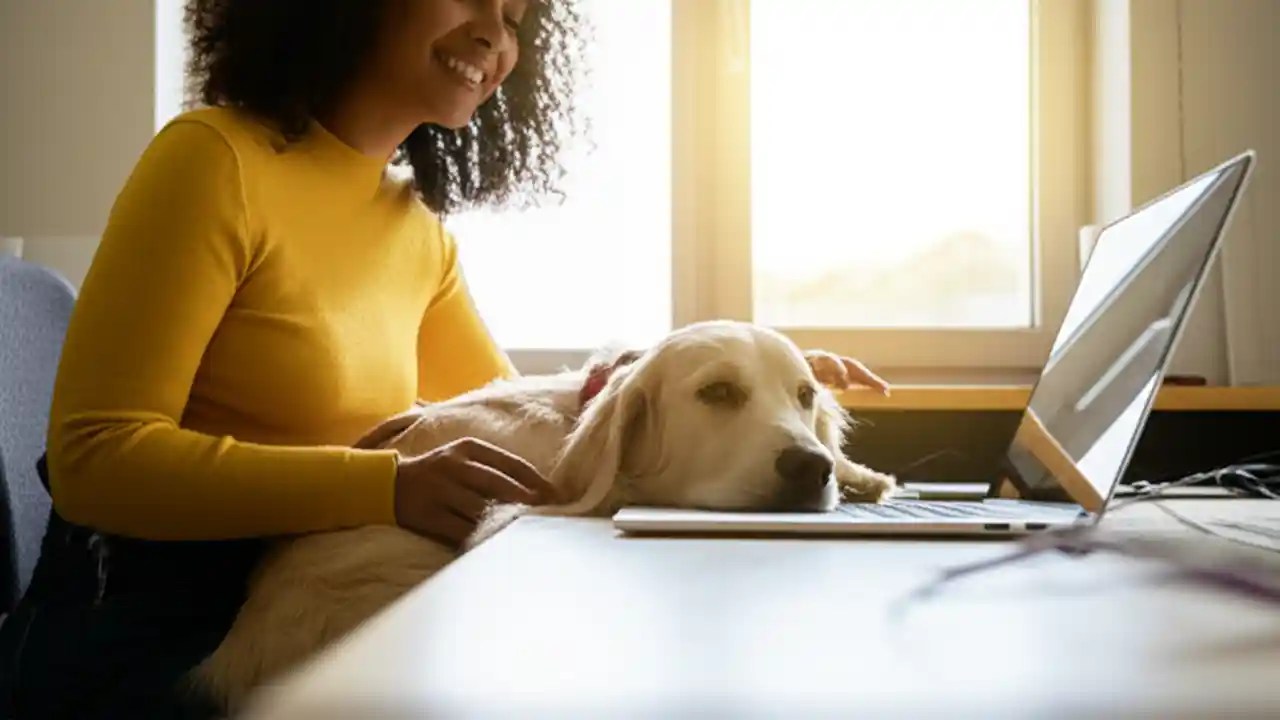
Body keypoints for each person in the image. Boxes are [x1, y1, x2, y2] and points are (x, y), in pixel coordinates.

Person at [0, 1, 887, 717]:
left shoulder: (413, 230)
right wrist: (382, 483)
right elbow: (95, 461)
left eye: (514, 15)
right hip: (151, 647)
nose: (493, 38)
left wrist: (766, 380)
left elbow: (525, 425)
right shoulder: (211, 161)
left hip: (301, 613)